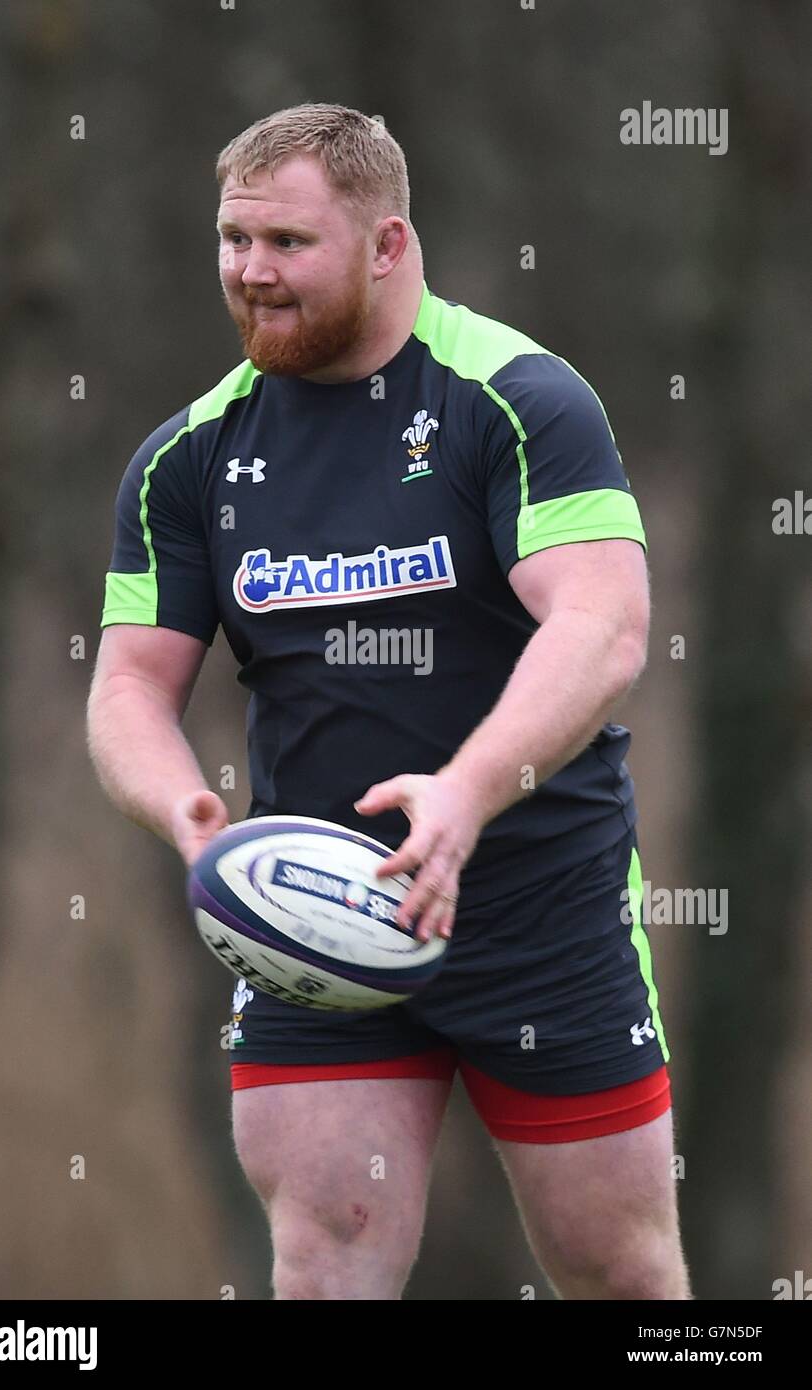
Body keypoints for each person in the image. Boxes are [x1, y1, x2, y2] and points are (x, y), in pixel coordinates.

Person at [87, 102, 691, 1300]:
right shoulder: (188, 457)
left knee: (618, 1271)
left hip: (540, 909)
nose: (252, 272)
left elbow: (605, 624)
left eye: (288, 244)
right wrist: (187, 817)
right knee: (324, 1268)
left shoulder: (517, 399)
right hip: (317, 920)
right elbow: (125, 685)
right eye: (232, 238)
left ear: (386, 244)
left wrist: (465, 795)